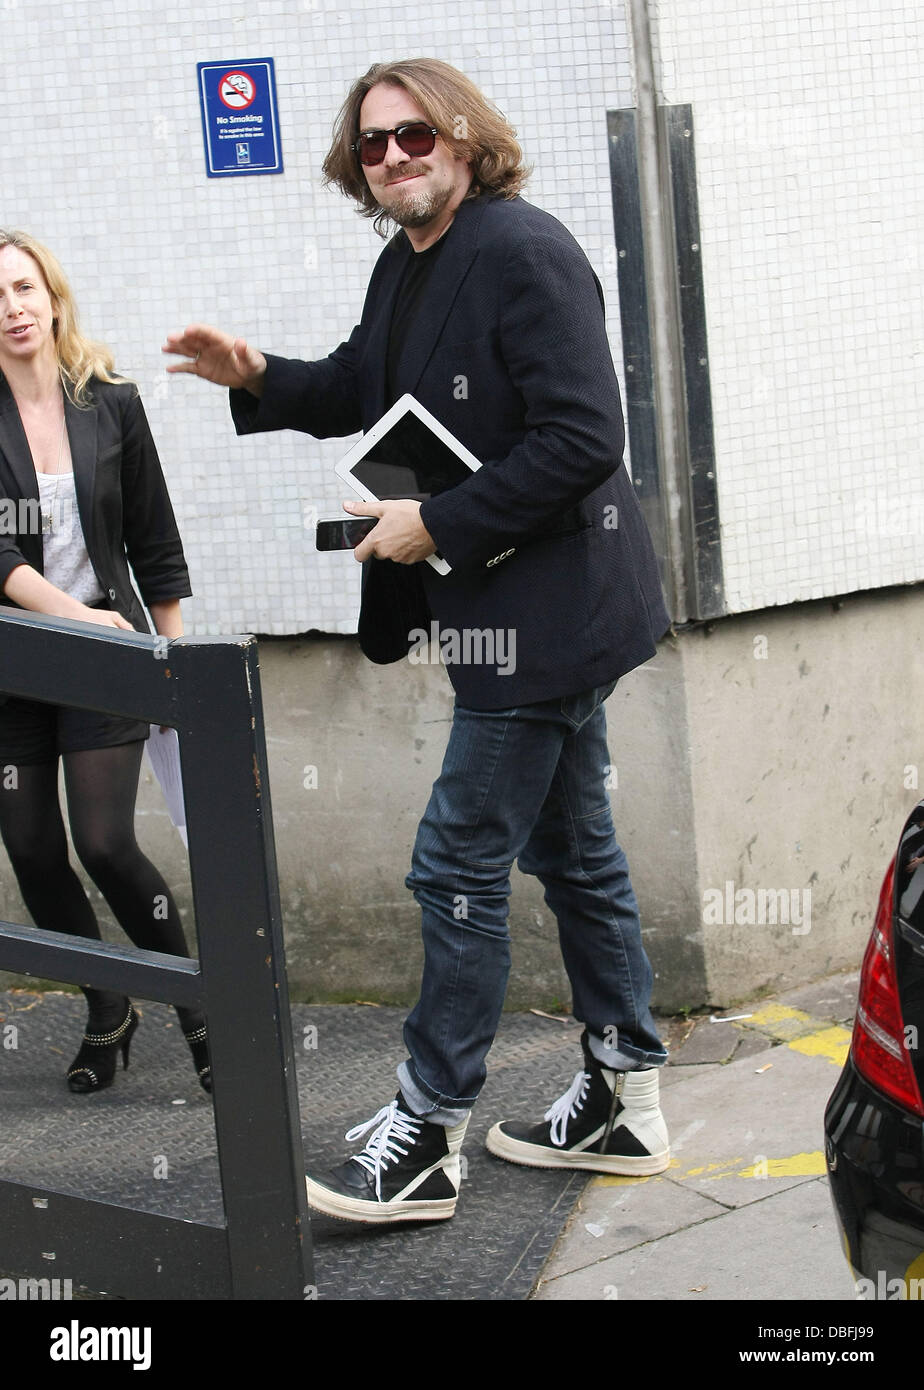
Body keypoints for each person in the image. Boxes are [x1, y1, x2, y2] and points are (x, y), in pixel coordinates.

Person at [164, 57, 671, 1221]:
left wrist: (433, 518)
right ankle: (626, 1095)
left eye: (414, 134)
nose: (395, 156)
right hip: (502, 611)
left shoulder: (523, 250)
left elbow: (585, 434)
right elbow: (363, 382)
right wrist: (257, 375)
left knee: (453, 867)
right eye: (375, 145)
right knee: (576, 853)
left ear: (462, 134)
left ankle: (429, 1134)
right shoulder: (408, 260)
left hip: (548, 618)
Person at [0, 229, 210, 1095]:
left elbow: (155, 539)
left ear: (51, 295)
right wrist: (81, 621)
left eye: (21, 288)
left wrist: (169, 658)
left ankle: (203, 1014)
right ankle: (106, 1009)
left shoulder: (110, 401)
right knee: (34, 850)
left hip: (112, 653)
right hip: (17, 661)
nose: (11, 310)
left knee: (105, 842)